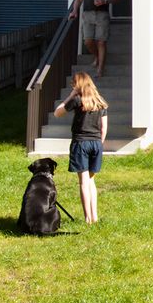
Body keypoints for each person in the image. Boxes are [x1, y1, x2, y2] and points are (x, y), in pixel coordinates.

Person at [54, 71, 108, 224]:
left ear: (78, 85)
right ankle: (95, 217)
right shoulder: (100, 102)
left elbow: (58, 113)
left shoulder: (77, 100)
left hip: (81, 143)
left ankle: (87, 218)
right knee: (91, 181)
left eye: (74, 84)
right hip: (96, 144)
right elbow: (104, 128)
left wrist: (70, 96)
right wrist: (99, 144)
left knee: (84, 182)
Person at [68, 0, 120, 78]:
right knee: (88, 41)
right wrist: (74, 11)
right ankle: (97, 56)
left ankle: (100, 69)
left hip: (102, 15)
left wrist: (106, 0)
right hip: (87, 15)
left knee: (101, 42)